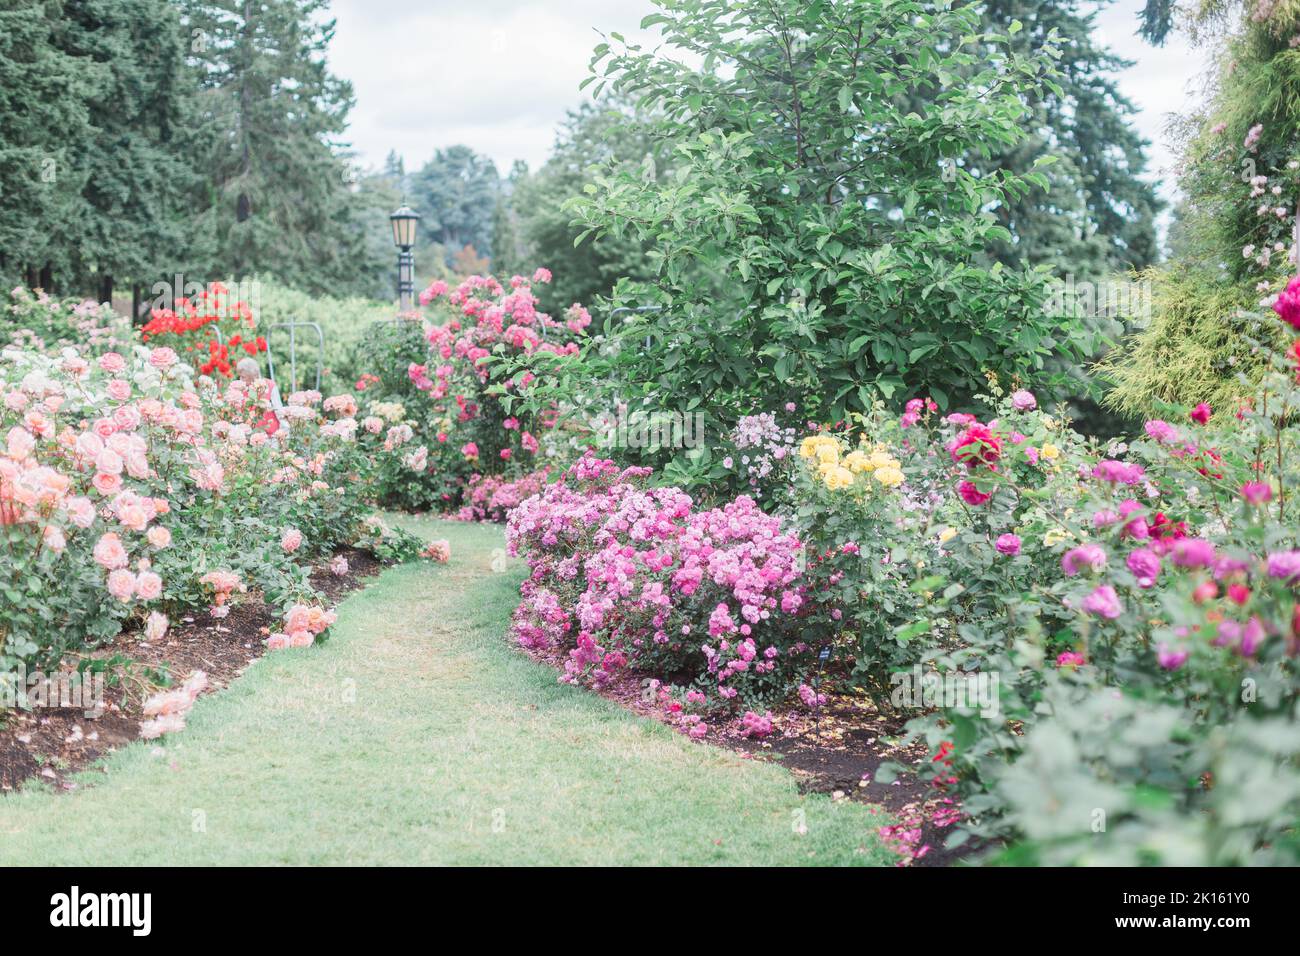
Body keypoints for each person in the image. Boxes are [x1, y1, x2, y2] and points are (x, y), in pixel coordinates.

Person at [235, 357, 287, 435]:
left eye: (243, 377)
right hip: (249, 436)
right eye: (240, 376)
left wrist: (284, 432)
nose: (240, 380)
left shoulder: (270, 385)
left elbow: (279, 411)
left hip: (271, 436)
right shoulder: (241, 389)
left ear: (253, 375)